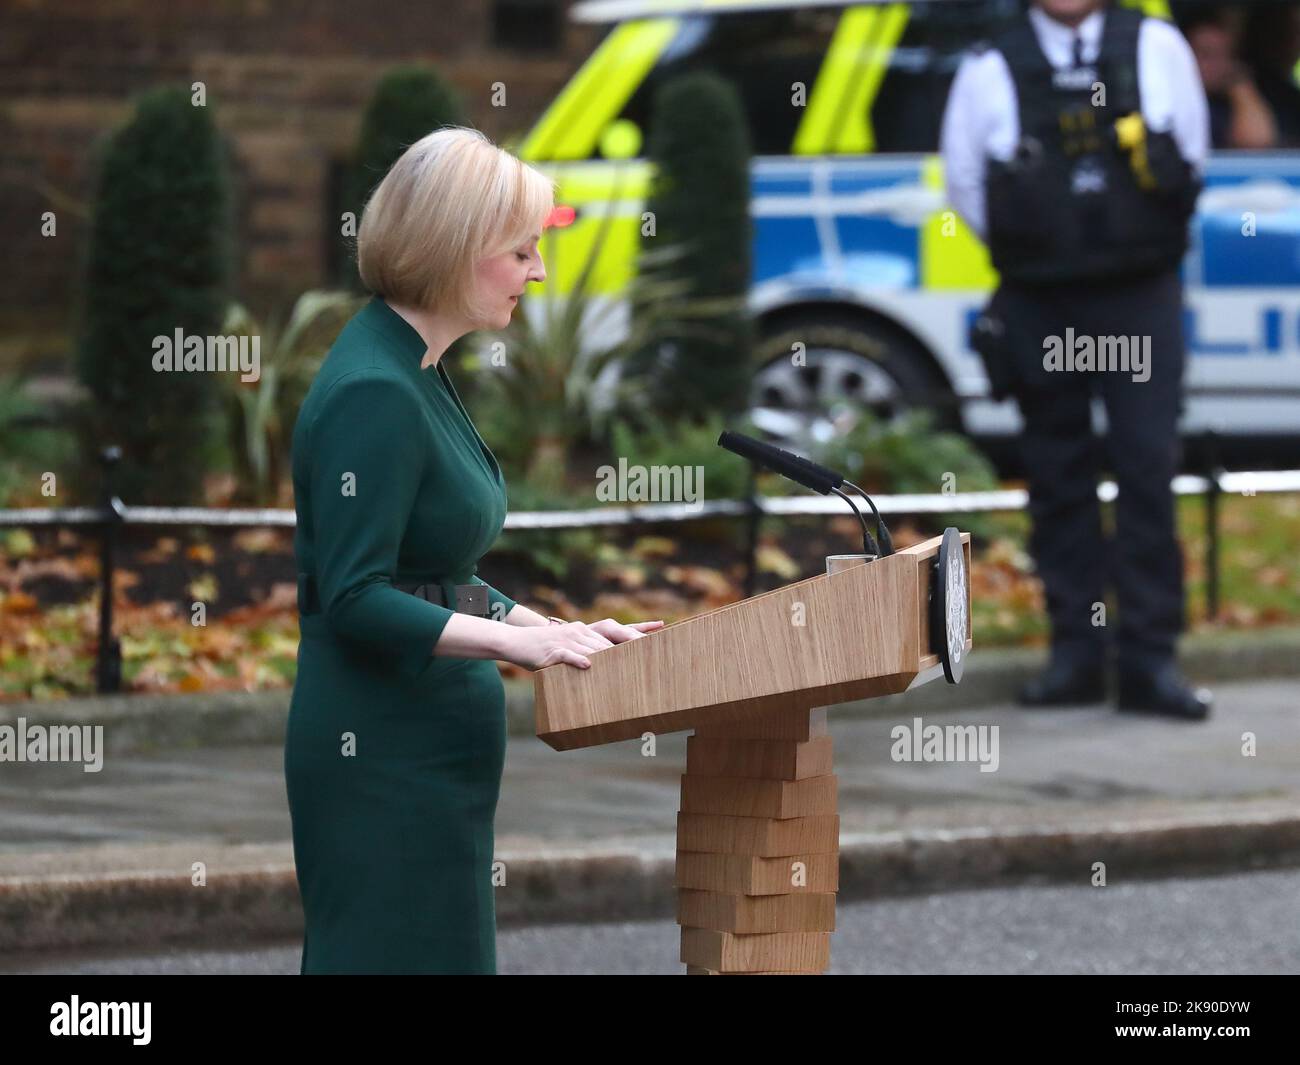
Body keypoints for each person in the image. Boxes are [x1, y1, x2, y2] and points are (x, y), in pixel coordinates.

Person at [284, 126, 664, 974]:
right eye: (521, 251)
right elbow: (355, 595)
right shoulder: (377, 389)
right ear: (452, 250)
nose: (539, 272)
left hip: (428, 751)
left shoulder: (413, 362)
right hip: (381, 752)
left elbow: (436, 575)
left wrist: (557, 629)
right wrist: (516, 644)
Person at [942, 0, 1213, 719]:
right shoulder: (987, 64)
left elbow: (1190, 154)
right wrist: (1047, 249)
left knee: (1146, 468)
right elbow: (965, 185)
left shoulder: (1155, 44)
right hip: (1041, 299)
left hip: (1138, 296)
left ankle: (1151, 661)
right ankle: (1076, 657)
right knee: (1058, 473)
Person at [1184, 11, 1277, 149]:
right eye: (1206, 54)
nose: (1217, 64)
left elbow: (1257, 143)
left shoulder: (1229, 102)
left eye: (1224, 55)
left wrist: (1241, 87)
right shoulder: (1172, 100)